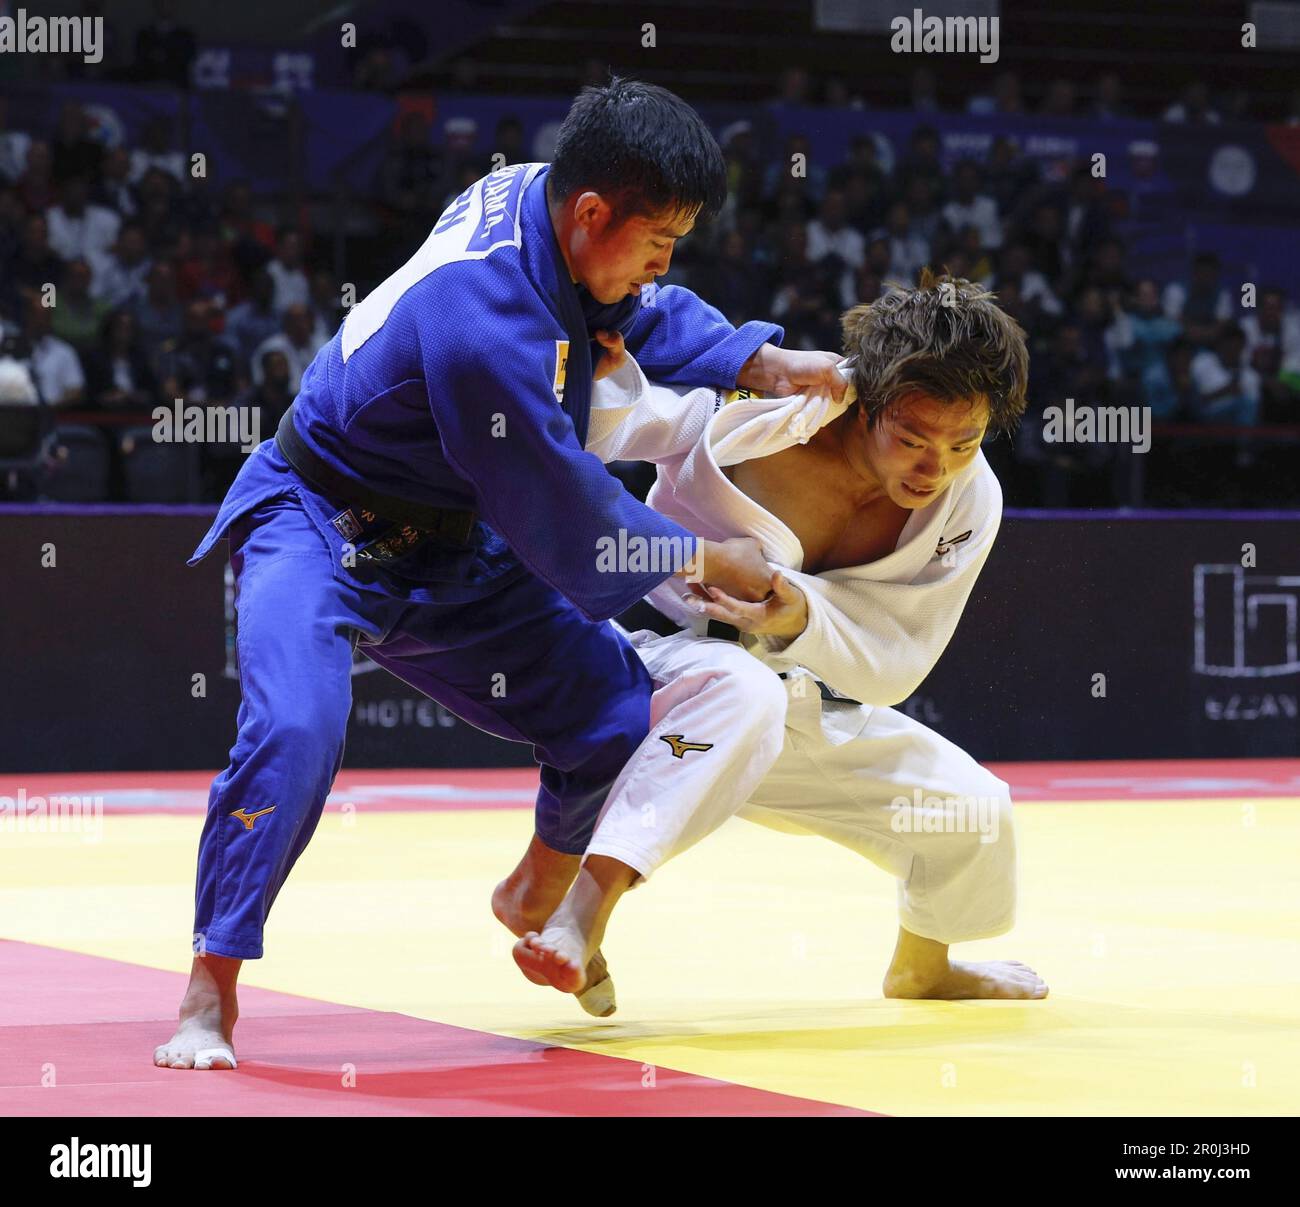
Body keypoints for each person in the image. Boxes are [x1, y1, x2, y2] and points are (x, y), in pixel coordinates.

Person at [154, 78, 847, 1071]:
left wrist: (758, 360)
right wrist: (698, 556)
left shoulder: (547, 198)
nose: (662, 263)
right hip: (318, 520)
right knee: (295, 729)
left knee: (612, 716)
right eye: (658, 239)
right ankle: (208, 988)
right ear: (593, 214)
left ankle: (535, 887)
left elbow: (632, 304)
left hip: (449, 537)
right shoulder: (485, 325)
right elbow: (565, 507)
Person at [511, 272, 1049, 1007]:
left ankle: (924, 968)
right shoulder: (774, 406)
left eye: (965, 442)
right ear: (869, 406)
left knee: (973, 811)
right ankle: (580, 912)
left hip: (782, 695)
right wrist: (600, 386)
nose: (937, 468)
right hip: (645, 669)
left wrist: (798, 615)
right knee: (740, 693)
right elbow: (617, 423)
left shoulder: (970, 499)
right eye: (914, 439)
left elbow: (898, 658)